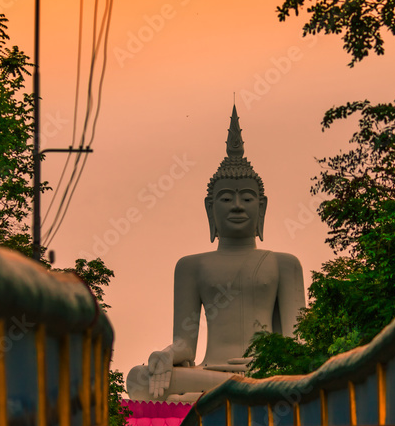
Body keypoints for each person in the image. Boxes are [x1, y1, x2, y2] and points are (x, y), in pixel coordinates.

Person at [126, 107, 305, 402]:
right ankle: (233, 392)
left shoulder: (283, 264)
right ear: (210, 208)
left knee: (302, 377)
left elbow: (300, 344)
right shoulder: (191, 266)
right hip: (210, 372)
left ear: (262, 207)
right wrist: (166, 355)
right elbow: (184, 343)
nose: (237, 205)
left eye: (247, 197)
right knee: (139, 378)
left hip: (266, 371)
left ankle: (221, 396)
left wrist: (271, 363)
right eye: (226, 198)